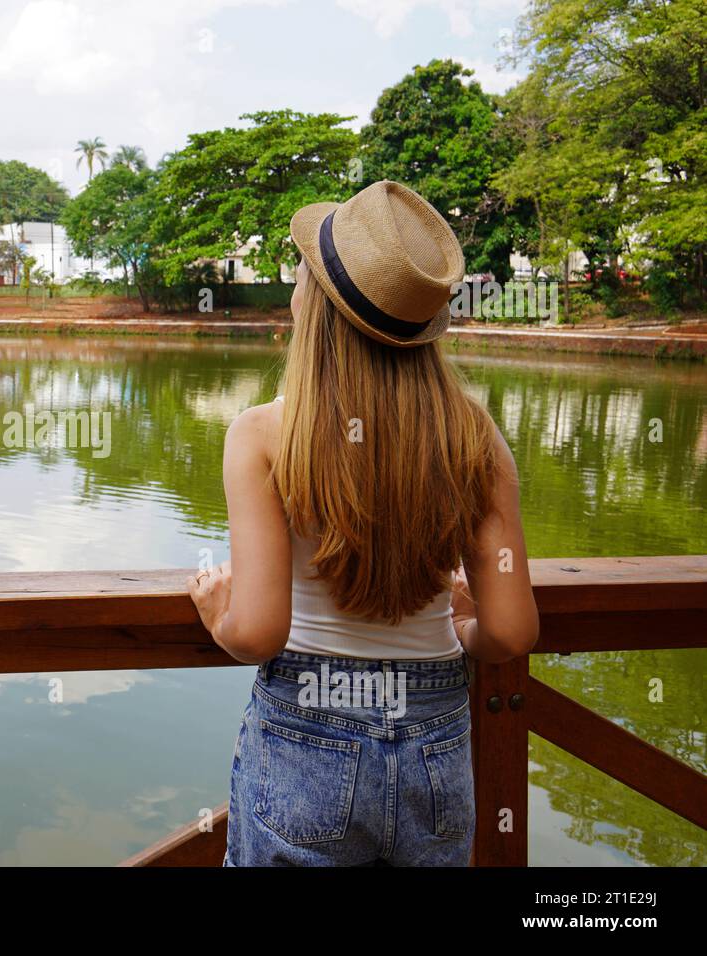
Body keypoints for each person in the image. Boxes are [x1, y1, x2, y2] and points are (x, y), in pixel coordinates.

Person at [187, 180, 539, 866]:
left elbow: (258, 632)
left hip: (305, 736)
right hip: (435, 742)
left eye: (301, 271)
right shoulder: (477, 438)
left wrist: (216, 609)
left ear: (313, 305)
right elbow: (511, 630)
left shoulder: (263, 435)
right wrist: (462, 622)